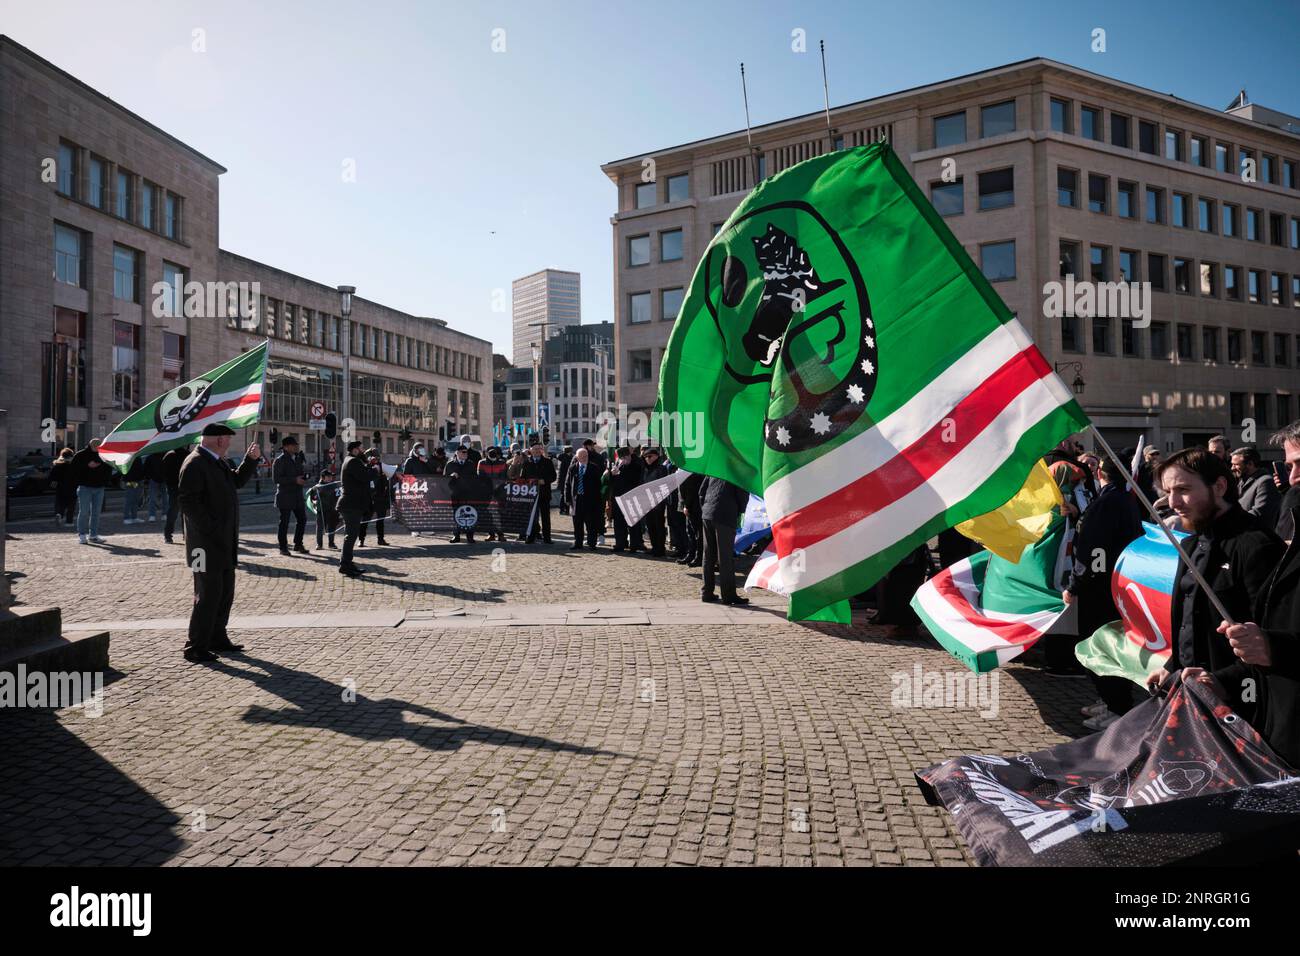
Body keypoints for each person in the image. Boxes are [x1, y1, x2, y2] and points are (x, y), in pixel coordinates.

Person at [1144, 449, 1284, 729]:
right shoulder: (1190, 545)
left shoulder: (1257, 545)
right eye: (1168, 491)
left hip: (1244, 714)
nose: (1172, 502)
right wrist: (1173, 667)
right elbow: (1191, 622)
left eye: (1183, 489)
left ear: (1219, 486)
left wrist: (1224, 680)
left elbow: (1276, 638)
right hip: (1193, 702)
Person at [1215, 421, 1299, 767]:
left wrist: (1273, 647)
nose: (1292, 478)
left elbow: (1280, 646)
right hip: (1281, 743)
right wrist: (1218, 679)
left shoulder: (1256, 542)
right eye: (1290, 465)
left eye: (1299, 464)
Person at [1063, 456, 1145, 725]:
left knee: (1100, 645)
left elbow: (1093, 549)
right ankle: (1110, 700)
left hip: (1099, 588)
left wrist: (1076, 584)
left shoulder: (1108, 503)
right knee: (1107, 644)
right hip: (1111, 584)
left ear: (1100, 472)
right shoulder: (1122, 499)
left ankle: (1116, 707)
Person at [176, 424, 260, 663]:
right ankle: (195, 645)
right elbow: (188, 502)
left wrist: (250, 461)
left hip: (223, 541)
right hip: (204, 544)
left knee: (224, 592)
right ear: (220, 439)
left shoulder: (217, 461)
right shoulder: (195, 463)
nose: (230, 443)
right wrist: (212, 527)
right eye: (228, 439)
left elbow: (236, 482)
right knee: (207, 594)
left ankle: (217, 637)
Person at [700, 476, 750, 605]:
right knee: (725, 557)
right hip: (725, 515)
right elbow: (742, 495)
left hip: (707, 513)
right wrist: (741, 511)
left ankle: (707, 592)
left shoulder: (714, 470)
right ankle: (728, 595)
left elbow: (701, 491)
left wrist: (706, 507)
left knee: (708, 556)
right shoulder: (734, 471)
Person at [272, 435, 309, 555]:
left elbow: (300, 473)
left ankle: (298, 544)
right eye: (293, 445)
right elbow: (276, 479)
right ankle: (283, 547)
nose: (296, 447)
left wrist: (304, 477)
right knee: (284, 522)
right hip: (285, 496)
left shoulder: (297, 458)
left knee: (302, 519)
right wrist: (294, 480)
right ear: (286, 447)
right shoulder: (279, 460)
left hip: (297, 495)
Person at [336, 441, 369, 577]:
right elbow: (365, 477)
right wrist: (375, 470)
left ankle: (347, 563)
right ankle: (345, 564)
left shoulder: (350, 460)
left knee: (350, 535)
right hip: (351, 504)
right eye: (361, 449)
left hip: (351, 504)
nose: (363, 451)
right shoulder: (353, 462)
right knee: (351, 536)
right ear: (355, 450)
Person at [1232, 446, 1281, 532]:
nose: (1232, 468)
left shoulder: (1266, 482)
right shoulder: (1241, 482)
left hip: (1258, 539)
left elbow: (1260, 513)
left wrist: (1232, 521)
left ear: (1250, 464)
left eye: (1236, 464)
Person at [71, 438, 110, 544]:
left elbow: (109, 469)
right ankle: (82, 535)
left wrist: (105, 481)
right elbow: (73, 470)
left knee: (96, 513)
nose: (97, 449)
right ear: (90, 446)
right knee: (83, 512)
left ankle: (93, 535)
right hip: (85, 487)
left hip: (99, 487)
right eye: (95, 447)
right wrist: (86, 466)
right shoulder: (80, 455)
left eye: (98, 447)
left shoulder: (103, 454)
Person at [565, 447, 605, 549]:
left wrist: (598, 500)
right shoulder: (572, 468)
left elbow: (599, 485)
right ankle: (578, 543)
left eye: (586, 456)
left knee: (591, 523)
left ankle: (592, 543)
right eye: (582, 456)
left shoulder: (594, 468)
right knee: (577, 524)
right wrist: (568, 499)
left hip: (590, 500)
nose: (584, 458)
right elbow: (567, 484)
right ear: (577, 457)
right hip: (576, 500)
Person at [608, 446, 645, 552]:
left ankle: (634, 545)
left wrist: (622, 470)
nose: (624, 460)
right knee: (619, 522)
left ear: (629, 456)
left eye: (625, 457)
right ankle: (620, 544)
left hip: (631, 498)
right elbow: (612, 483)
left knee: (633, 523)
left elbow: (635, 480)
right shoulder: (617, 465)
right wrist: (612, 474)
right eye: (622, 458)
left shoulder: (636, 465)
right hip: (618, 498)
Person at [522, 442, 556, 544]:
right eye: (535, 449)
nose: (537, 451)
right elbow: (523, 477)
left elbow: (553, 476)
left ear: (542, 450)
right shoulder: (527, 462)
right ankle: (531, 536)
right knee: (532, 516)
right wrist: (529, 481)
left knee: (545, 517)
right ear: (531, 450)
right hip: (531, 494)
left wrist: (544, 481)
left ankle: (547, 538)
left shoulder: (547, 462)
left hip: (544, 493)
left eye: (539, 449)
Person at [638, 447, 671, 557]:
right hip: (647, 502)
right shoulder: (645, 469)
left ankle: (660, 548)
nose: (647, 458)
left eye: (650, 456)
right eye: (646, 457)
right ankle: (654, 546)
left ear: (656, 456)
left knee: (658, 526)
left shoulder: (661, 469)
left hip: (657, 503)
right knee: (650, 526)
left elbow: (663, 485)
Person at [444, 444, 477, 544]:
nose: (466, 454)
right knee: (456, 514)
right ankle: (456, 535)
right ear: (457, 453)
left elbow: (475, 477)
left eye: (466, 452)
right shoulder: (450, 464)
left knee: (470, 514)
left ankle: (470, 536)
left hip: (468, 493)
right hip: (455, 493)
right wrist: (451, 476)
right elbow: (444, 479)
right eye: (463, 452)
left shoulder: (470, 464)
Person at [477, 445, 509, 542]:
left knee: (500, 513)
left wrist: (497, 486)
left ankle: (501, 534)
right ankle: (491, 534)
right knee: (488, 513)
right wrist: (488, 486)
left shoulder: (502, 463)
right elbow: (480, 477)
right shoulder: (481, 463)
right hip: (486, 491)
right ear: (487, 454)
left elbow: (503, 477)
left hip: (499, 491)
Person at [362, 450, 390, 546]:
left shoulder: (382, 466)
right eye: (374, 457)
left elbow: (390, 477)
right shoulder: (365, 467)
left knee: (380, 520)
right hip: (369, 498)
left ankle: (380, 539)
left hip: (380, 497)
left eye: (377, 456)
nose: (376, 458)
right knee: (365, 519)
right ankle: (361, 540)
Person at [677, 471, 704, 567]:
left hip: (695, 507)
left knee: (698, 534)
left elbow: (692, 489)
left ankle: (699, 557)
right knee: (690, 533)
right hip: (689, 506)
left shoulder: (694, 472)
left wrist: (687, 505)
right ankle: (691, 554)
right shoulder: (684, 470)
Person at [311, 465, 340, 550]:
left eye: (331, 476)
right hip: (322, 511)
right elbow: (313, 498)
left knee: (332, 527)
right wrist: (315, 495)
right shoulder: (318, 487)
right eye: (328, 477)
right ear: (323, 478)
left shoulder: (334, 485)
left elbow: (338, 495)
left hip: (332, 510)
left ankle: (331, 543)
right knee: (320, 528)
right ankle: (319, 544)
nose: (330, 478)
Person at [161, 445, 185, 544]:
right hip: (184, 487)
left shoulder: (168, 455)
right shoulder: (187, 455)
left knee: (172, 512)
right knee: (185, 513)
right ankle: (186, 534)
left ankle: (168, 535)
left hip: (172, 487)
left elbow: (164, 472)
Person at [48, 447, 76, 526]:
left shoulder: (57, 464)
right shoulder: (73, 465)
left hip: (60, 487)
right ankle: (69, 521)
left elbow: (51, 476)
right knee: (71, 505)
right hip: (72, 487)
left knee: (61, 503)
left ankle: (59, 514)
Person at [122, 455, 147, 524]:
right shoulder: (126, 457)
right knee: (129, 499)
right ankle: (126, 518)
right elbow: (124, 469)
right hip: (130, 481)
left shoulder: (138, 456)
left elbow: (140, 468)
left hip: (138, 480)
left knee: (136, 499)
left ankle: (134, 517)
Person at [556, 446, 574, 516]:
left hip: (562, 479)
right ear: (569, 452)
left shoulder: (562, 458)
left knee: (564, 495)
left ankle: (564, 509)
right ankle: (563, 509)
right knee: (564, 495)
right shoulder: (566, 459)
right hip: (564, 479)